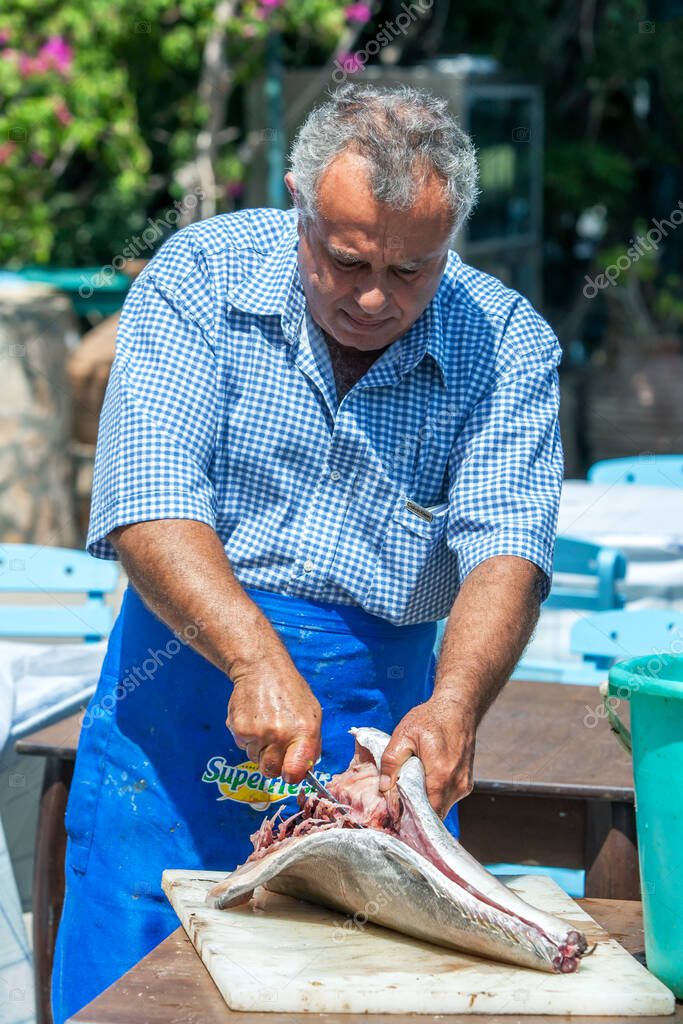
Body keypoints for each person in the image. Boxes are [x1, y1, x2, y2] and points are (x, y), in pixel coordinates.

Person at [52, 82, 562, 1022]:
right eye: (346, 260)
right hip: (172, 713)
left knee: (350, 992)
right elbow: (149, 501)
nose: (372, 297)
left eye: (410, 271)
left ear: (450, 241)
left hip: (378, 735)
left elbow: (507, 548)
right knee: (133, 990)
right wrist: (252, 658)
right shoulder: (198, 277)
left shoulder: (506, 341)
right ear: (298, 205)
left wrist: (454, 706)